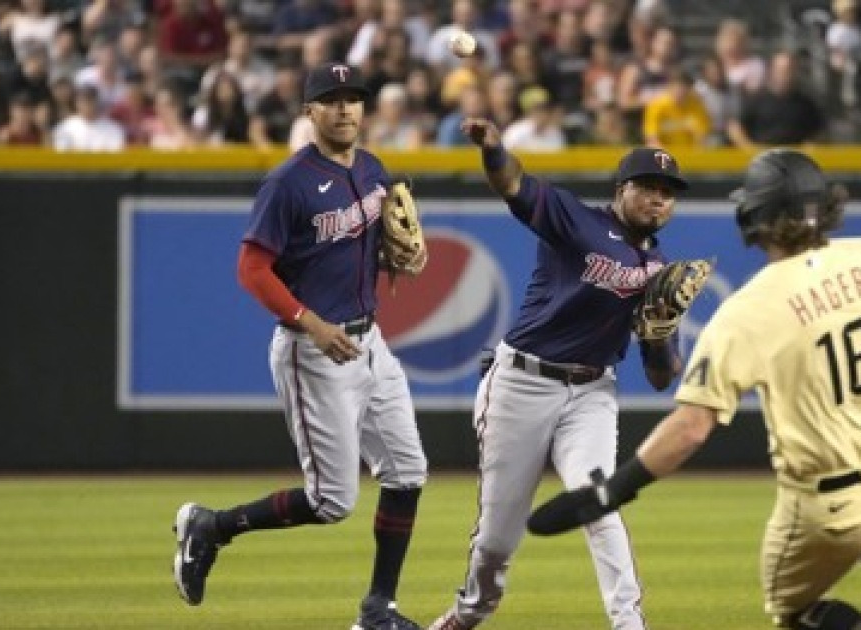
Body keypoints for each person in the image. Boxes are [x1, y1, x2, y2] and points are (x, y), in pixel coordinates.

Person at [527, 148, 861, 630]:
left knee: (795, 611)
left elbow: (692, 428)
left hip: (829, 505)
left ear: (755, 215)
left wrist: (614, 489)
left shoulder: (748, 311)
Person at [171, 61, 428, 630]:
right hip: (312, 350)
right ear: (309, 111)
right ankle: (212, 526)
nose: (344, 109)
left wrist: (393, 260)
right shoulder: (287, 182)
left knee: (408, 473)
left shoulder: (373, 168)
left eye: (353, 99)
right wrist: (310, 322)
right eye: (331, 100)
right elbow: (251, 268)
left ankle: (377, 611)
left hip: (369, 341)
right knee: (333, 501)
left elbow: (361, 249)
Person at [426, 118, 691, 630]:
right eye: (648, 189)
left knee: (599, 502)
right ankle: (468, 613)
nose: (659, 201)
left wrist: (658, 335)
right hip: (522, 383)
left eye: (667, 194)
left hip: (591, 392)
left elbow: (662, 376)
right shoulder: (576, 219)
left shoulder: (662, 272)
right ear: (622, 190)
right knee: (497, 540)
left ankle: (629, 624)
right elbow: (513, 185)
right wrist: (495, 147)